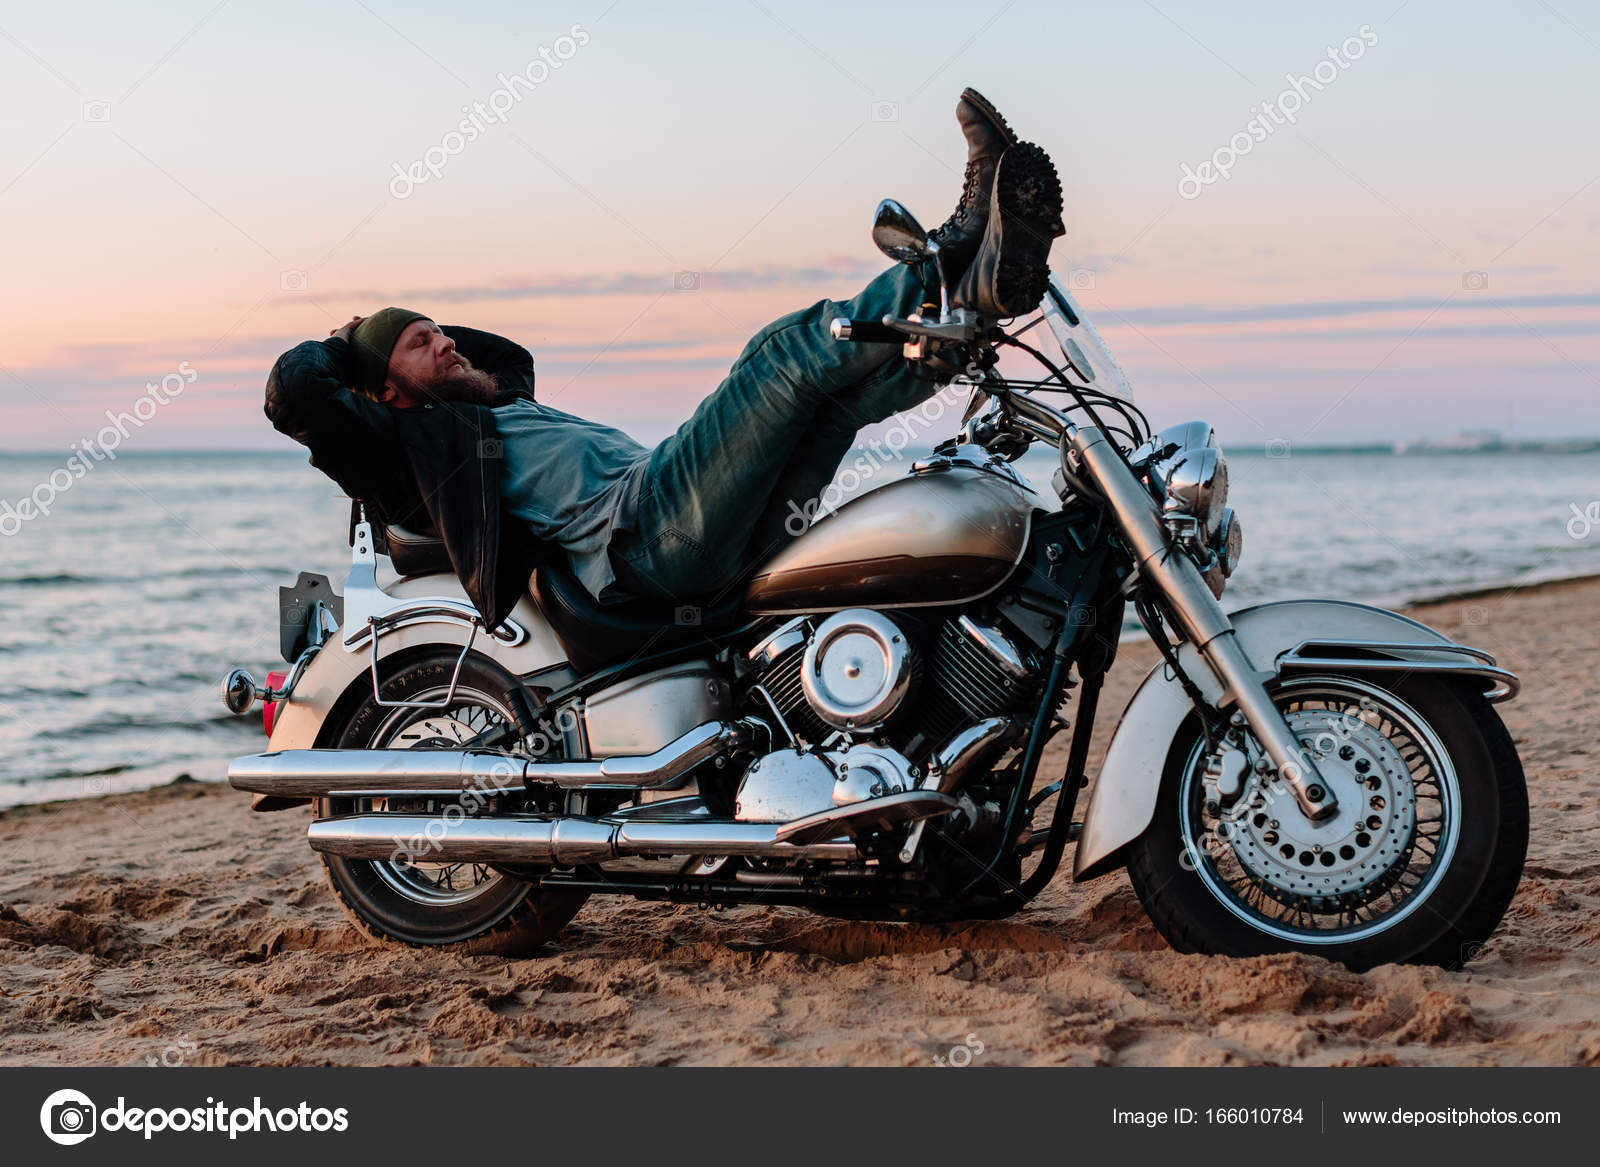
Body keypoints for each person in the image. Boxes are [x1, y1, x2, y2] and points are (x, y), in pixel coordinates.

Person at [263, 89, 1063, 630]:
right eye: (419, 342)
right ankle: (957, 250)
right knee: (782, 357)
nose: (445, 342)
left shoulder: (500, 403)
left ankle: (972, 307)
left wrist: (413, 343)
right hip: (646, 540)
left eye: (441, 330)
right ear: (387, 392)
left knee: (834, 399)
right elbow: (293, 396)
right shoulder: (414, 448)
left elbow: (504, 354)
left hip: (703, 530)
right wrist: (350, 343)